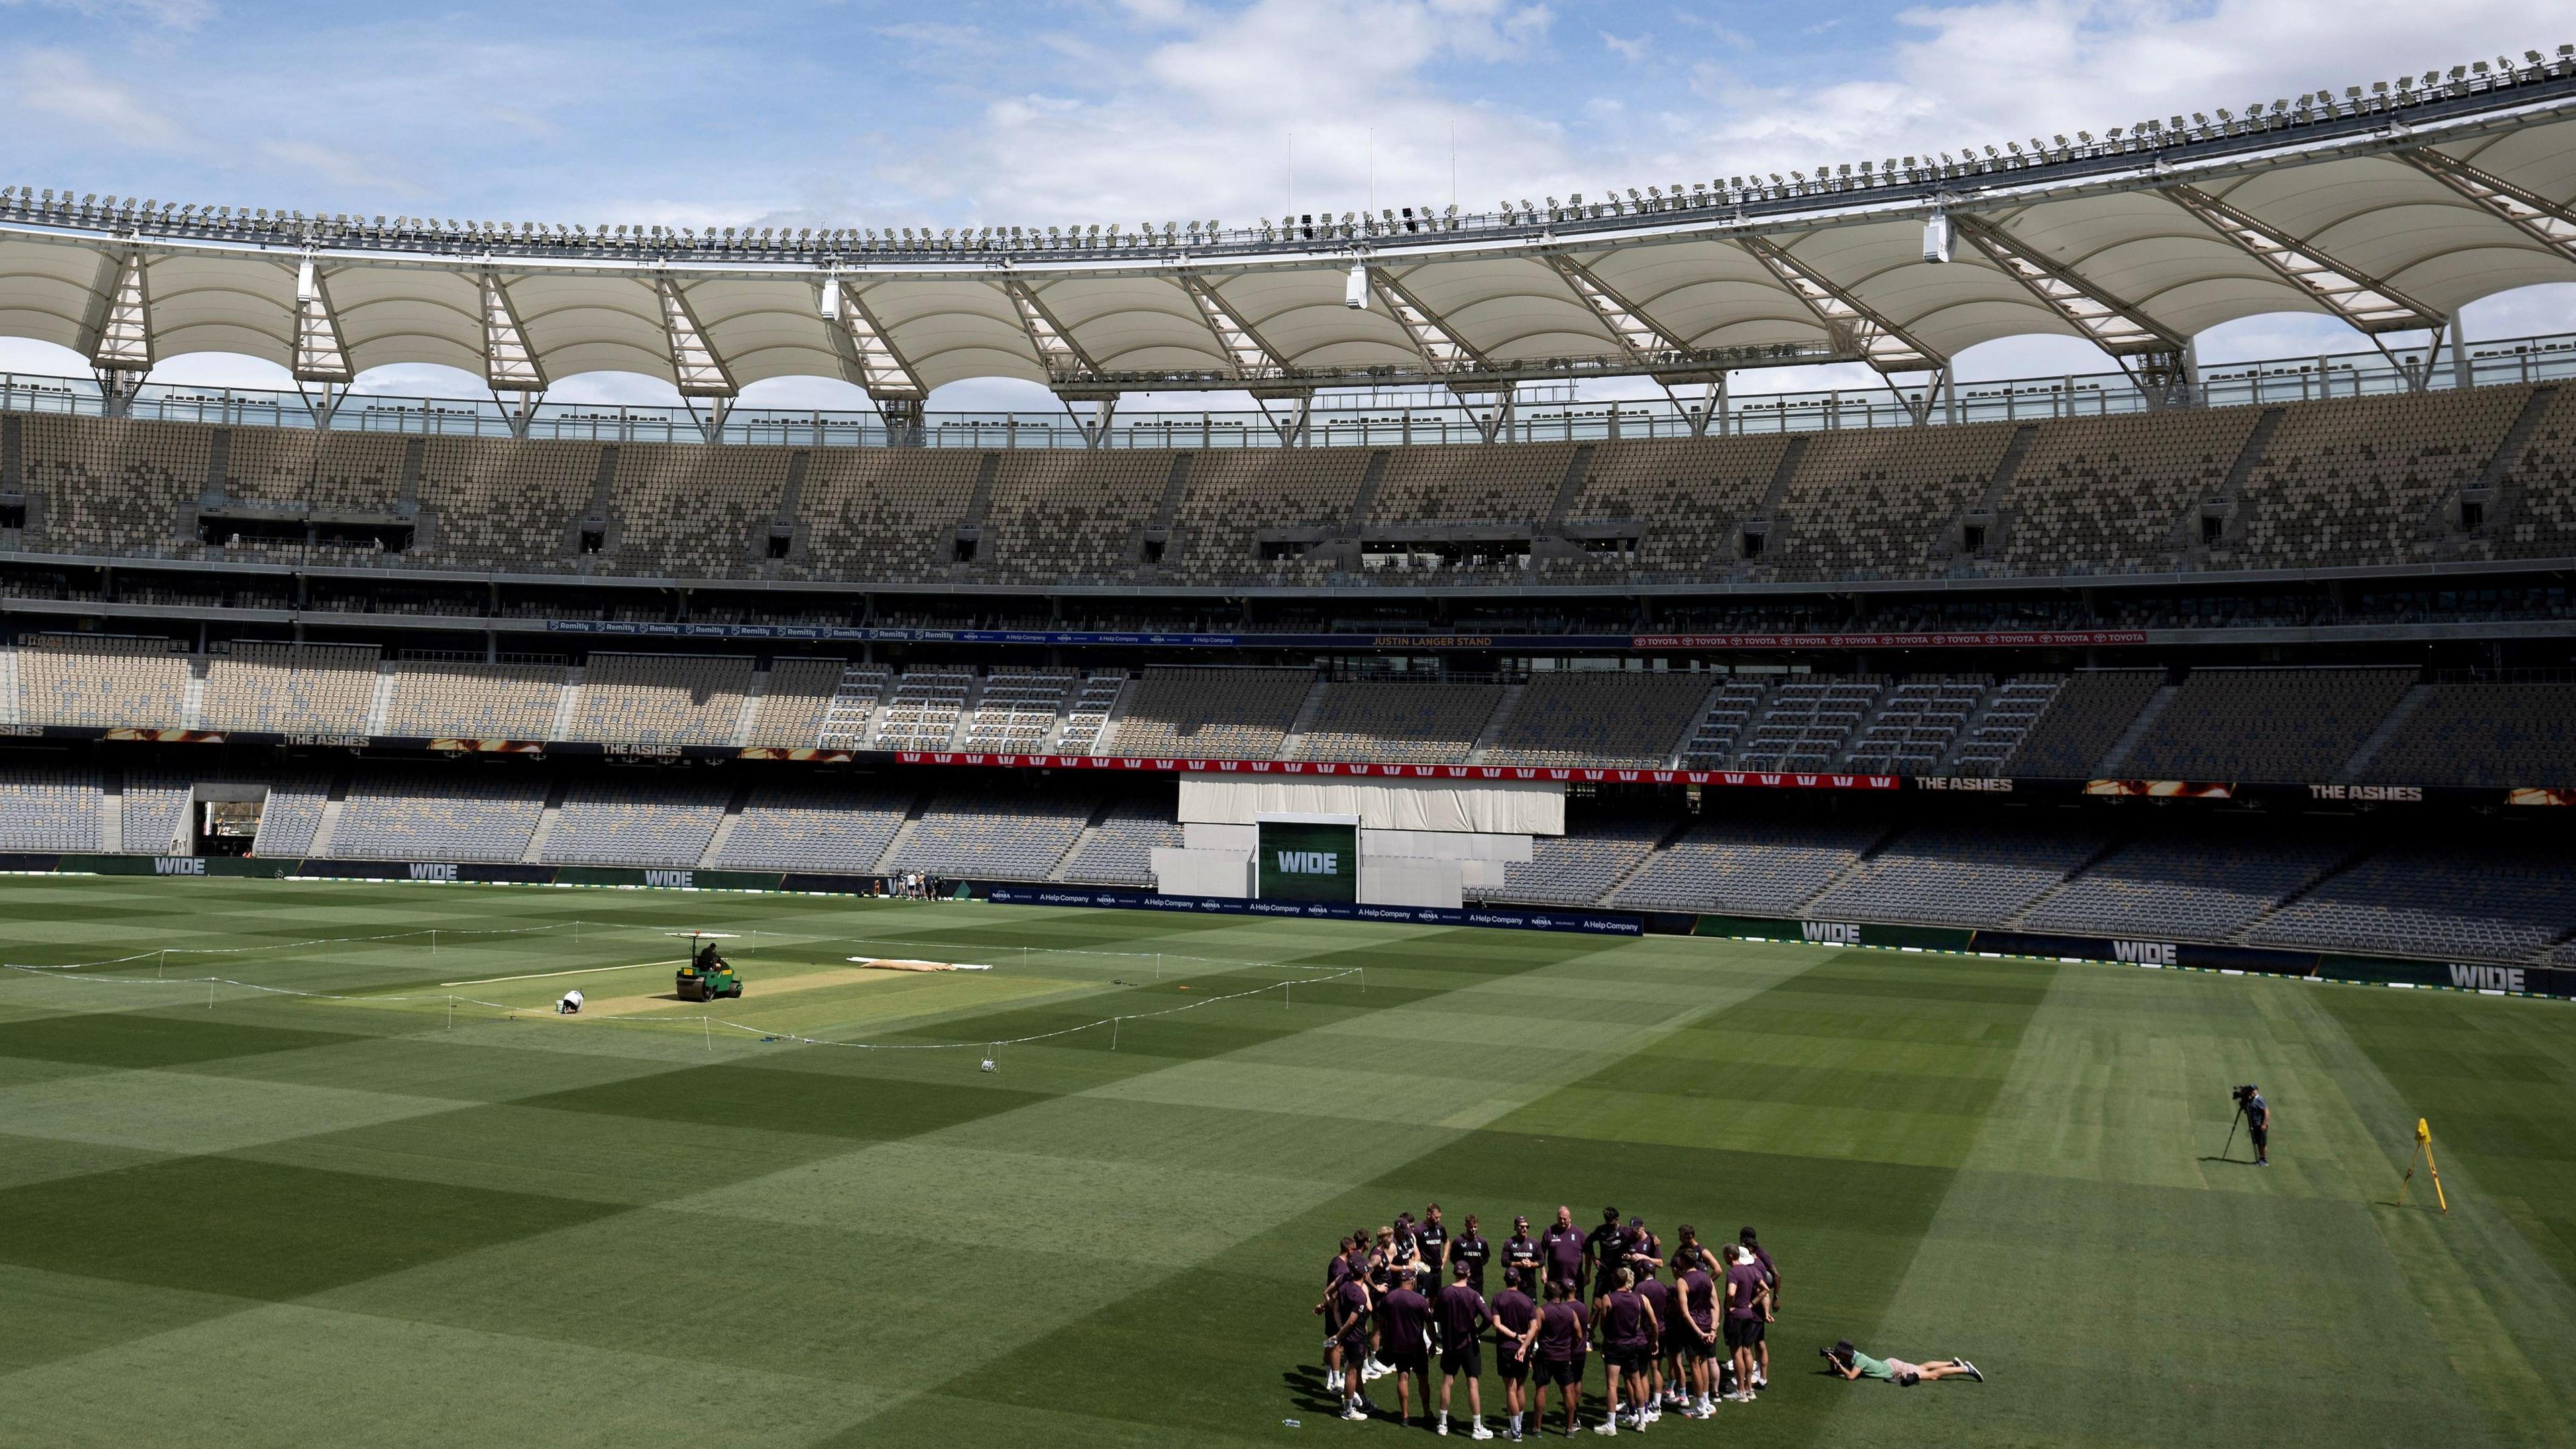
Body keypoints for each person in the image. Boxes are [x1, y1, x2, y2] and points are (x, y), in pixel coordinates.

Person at [1592, 1267, 1658, 1434]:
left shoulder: (1608, 1298)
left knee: (1612, 1385)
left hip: (1615, 1345)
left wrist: (1606, 1340)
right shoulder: (1638, 1298)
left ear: (1614, 1281)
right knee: (1637, 1382)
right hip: (1632, 1344)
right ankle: (1642, 1421)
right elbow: (1645, 1322)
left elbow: (1604, 1323)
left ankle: (1611, 1425)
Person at [1436, 1259, 1495, 1439]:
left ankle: (1442, 1424)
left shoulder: (1445, 1292)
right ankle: (1477, 1428)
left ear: (1455, 1273)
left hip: (1450, 1344)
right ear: (1468, 1274)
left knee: (1447, 1381)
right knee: (1473, 1384)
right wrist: (1477, 1331)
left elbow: (1436, 1315)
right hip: (1469, 1344)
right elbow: (1489, 1318)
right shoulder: (1473, 1295)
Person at [1533, 1279, 1591, 1440]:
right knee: (1567, 1391)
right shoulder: (1570, 1312)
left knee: (1541, 1390)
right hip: (1564, 1357)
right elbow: (1579, 1335)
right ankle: (1570, 1428)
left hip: (1545, 1356)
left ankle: (1537, 1428)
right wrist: (1568, 1347)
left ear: (1546, 1294)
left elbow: (1534, 1333)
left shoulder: (1541, 1311)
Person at [1380, 1268, 1436, 1428]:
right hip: (1417, 1346)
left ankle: (1405, 1416)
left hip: (1398, 1345)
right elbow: (1430, 1323)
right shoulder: (1419, 1300)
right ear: (1412, 1281)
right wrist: (1433, 1342)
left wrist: (1386, 1340)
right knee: (1423, 1379)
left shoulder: (1390, 1298)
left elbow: (1382, 1322)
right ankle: (1427, 1414)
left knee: (1403, 1378)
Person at [1489, 1266, 1540, 1442]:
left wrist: (1515, 1336)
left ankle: (1515, 1431)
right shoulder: (1527, 1300)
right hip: (1522, 1350)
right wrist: (1524, 1345)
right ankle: (1518, 1426)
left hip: (1506, 1348)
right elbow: (1534, 1327)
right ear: (1519, 1280)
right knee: (1520, 1387)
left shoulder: (1498, 1298)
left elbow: (1497, 1325)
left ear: (1505, 1279)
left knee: (1510, 1389)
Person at [1673, 1235, 1721, 1417]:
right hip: (1708, 1325)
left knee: (1694, 1365)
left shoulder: (1682, 1282)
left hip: (1693, 1329)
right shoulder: (1707, 1279)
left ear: (1684, 1263)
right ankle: (1706, 1402)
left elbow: (1685, 1312)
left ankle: (1700, 1407)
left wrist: (1699, 1332)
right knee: (1703, 1362)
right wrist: (1713, 1329)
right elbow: (1715, 1305)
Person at [1328, 1258, 1379, 1420]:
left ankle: (1363, 1400)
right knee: (1351, 1372)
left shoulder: (1344, 1288)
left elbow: (1336, 1309)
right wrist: (1340, 1334)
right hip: (1356, 1338)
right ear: (1364, 1274)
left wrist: (1339, 1329)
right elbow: (1352, 1321)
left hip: (1347, 1336)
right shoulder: (1361, 1296)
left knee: (1355, 1370)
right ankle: (1348, 1410)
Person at [1722, 1244, 1772, 1403]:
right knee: (1747, 1351)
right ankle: (1749, 1389)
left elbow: (1731, 1292)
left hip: (1735, 1317)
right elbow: (1765, 1289)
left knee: (1736, 1354)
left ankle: (1741, 1390)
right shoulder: (1751, 1271)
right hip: (1748, 1315)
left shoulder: (1733, 1272)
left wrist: (1729, 1306)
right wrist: (1751, 1304)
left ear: (1730, 1256)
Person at [1823, 1339, 1982, 1385]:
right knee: (1921, 1367)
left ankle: (1965, 1369)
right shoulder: (1850, 1357)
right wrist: (1833, 1362)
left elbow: (1851, 1377)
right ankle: (1952, 1363)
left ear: (1845, 1353)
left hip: (1895, 1369)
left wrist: (1838, 1363)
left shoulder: (1860, 1359)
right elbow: (1836, 1372)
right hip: (1891, 1364)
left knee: (1932, 1375)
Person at [1633, 1258, 1676, 1419]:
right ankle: (1657, 1404)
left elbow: (1637, 1309)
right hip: (1662, 1330)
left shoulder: (1640, 1287)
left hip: (1645, 1332)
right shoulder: (1662, 1287)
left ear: (1642, 1271)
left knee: (1643, 1372)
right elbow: (1670, 1306)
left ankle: (1643, 1406)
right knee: (1656, 1367)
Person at [1737, 1227, 1778, 1389]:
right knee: (1760, 1343)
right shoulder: (1759, 1263)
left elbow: (1765, 1291)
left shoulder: (1755, 1265)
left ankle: (1746, 1384)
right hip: (1759, 1312)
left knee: (1746, 1347)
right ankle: (1762, 1378)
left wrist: (1753, 1305)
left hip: (1754, 1313)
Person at [1541, 1206, 1587, 1304]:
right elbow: (1541, 1253)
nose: (1562, 1221)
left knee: (1577, 1307)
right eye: (1560, 1218)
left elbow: (1589, 1254)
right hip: (1555, 1279)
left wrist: (1587, 1274)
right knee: (1553, 1307)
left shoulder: (1579, 1233)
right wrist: (1543, 1272)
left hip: (1575, 1279)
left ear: (1570, 1219)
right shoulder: (1549, 1232)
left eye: (1564, 1219)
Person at [1583, 1207, 1627, 1305]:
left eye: (1610, 1220)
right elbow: (1588, 1241)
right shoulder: (1601, 1230)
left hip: (1619, 1275)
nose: (1608, 1222)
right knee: (1596, 1306)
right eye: (1606, 1220)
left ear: (1617, 1219)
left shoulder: (1624, 1232)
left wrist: (1653, 1236)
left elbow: (1640, 1232)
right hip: (1604, 1272)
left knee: (1618, 1305)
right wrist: (1594, 1258)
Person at [1503, 1215, 1544, 1299]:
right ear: (1516, 1227)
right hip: (1514, 1284)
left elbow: (1542, 1261)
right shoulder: (1509, 1243)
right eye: (1522, 1227)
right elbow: (1504, 1262)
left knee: (1530, 1306)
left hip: (1530, 1284)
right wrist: (1520, 1264)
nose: (1525, 1229)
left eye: (1527, 1227)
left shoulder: (1535, 1243)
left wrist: (1531, 1264)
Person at [1452, 1213, 1492, 1298]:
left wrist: (1479, 1265)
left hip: (1478, 1280)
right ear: (1466, 1225)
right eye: (1471, 1227)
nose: (1473, 1229)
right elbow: (1453, 1258)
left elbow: (1486, 1258)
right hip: (1463, 1280)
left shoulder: (1482, 1242)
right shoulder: (1458, 1241)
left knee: (1477, 1301)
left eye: (1475, 1227)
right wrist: (1461, 1268)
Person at [1417, 1202, 1452, 1287]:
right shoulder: (1419, 1230)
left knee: (1437, 1294)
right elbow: (1413, 1246)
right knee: (1424, 1295)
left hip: (1438, 1270)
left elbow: (1447, 1242)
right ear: (1429, 1214)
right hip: (1425, 1271)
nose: (1438, 1220)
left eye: (1440, 1217)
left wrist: (1444, 1259)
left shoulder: (1440, 1228)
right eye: (1436, 1217)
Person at [2244, 1083, 2272, 1167]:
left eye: (2253, 1090)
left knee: (2263, 1143)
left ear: (2257, 1090)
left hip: (2261, 1125)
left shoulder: (2260, 1099)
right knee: (2259, 1143)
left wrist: (2264, 1124)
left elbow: (2267, 1113)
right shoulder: (2252, 1100)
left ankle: (2265, 1160)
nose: (2252, 1092)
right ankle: (2260, 1159)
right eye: (2251, 1091)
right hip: (2255, 1125)